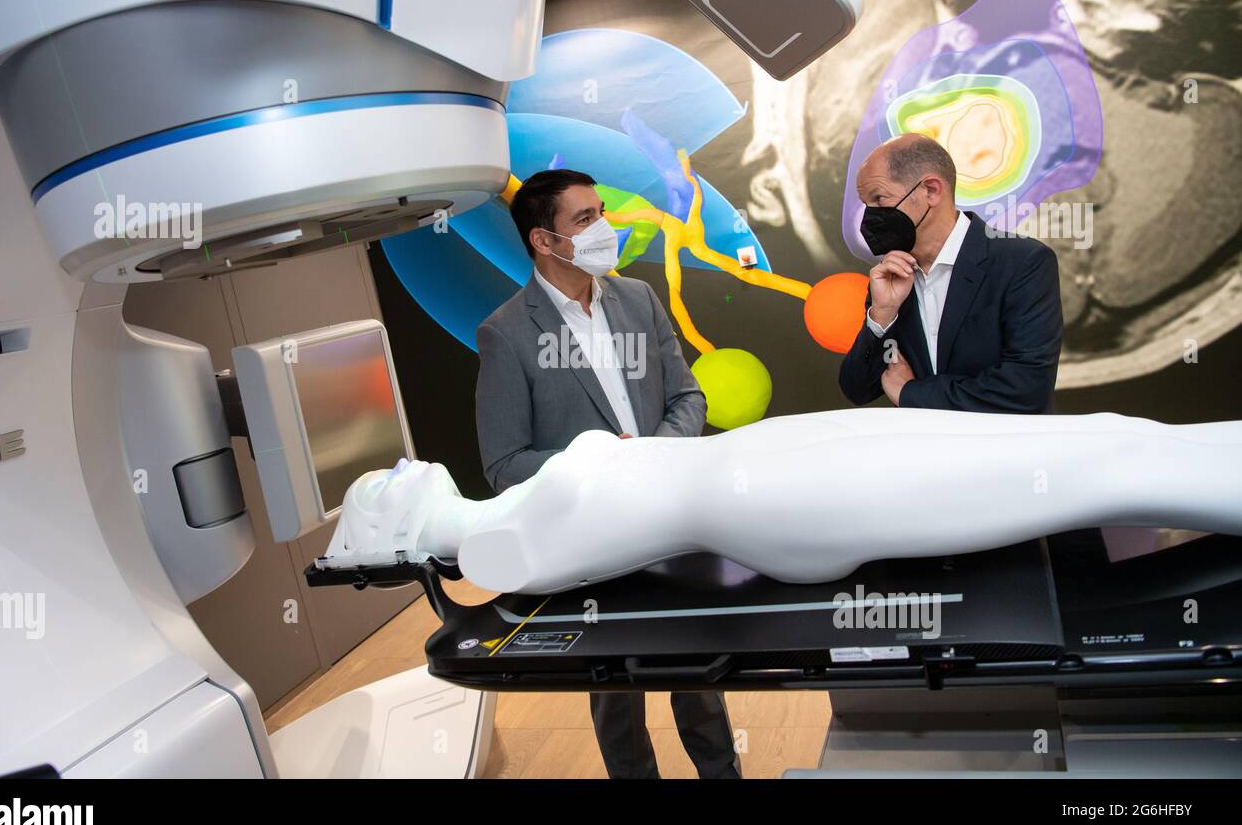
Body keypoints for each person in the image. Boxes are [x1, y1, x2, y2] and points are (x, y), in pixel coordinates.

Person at [326, 408, 1242, 593]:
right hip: (770, 503)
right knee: (1082, 474)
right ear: (392, 530)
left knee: (1092, 433)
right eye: (380, 488)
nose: (398, 467)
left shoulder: (508, 510)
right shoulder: (498, 554)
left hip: (760, 463)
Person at [472, 168, 740, 780]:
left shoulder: (639, 298)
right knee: (616, 692)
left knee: (698, 675)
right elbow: (504, 463)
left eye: (601, 211)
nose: (605, 227)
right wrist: (597, 462)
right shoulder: (506, 334)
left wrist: (652, 459)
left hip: (669, 516)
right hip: (589, 537)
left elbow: (688, 398)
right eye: (586, 219)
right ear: (545, 241)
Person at [839, 133, 1064, 413]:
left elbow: (1026, 388)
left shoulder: (1022, 262)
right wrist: (881, 316)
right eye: (865, 204)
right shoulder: (890, 278)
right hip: (926, 454)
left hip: (1007, 452)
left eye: (879, 199)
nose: (869, 217)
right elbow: (858, 389)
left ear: (931, 191)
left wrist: (912, 394)